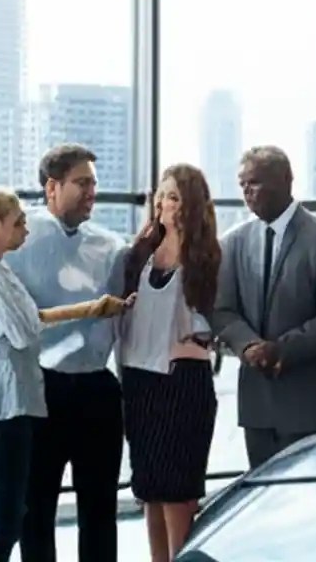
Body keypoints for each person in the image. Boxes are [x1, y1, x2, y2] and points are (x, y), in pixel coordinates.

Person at [0, 186, 126, 562]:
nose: (26, 232)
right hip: (0, 409)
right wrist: (76, 312)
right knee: (5, 518)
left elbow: (35, 316)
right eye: (17, 224)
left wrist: (91, 309)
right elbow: (25, 330)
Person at [6, 144, 128, 562]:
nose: (92, 191)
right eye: (82, 183)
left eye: (93, 182)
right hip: (41, 391)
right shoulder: (19, 241)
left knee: (100, 509)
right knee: (35, 508)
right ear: (52, 187)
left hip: (97, 389)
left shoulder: (112, 246)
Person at [212, 145, 316, 469]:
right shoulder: (233, 242)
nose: (247, 193)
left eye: (255, 183)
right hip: (256, 404)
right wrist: (249, 346)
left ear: (285, 180)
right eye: (242, 185)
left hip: (307, 401)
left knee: (306, 508)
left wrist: (281, 350)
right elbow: (222, 310)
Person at [116, 164, 220, 562]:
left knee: (178, 496)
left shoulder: (206, 257)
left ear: (191, 205)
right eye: (160, 194)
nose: (162, 202)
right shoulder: (139, 253)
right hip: (141, 385)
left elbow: (217, 319)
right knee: (149, 492)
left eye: (173, 196)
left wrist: (205, 339)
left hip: (182, 385)